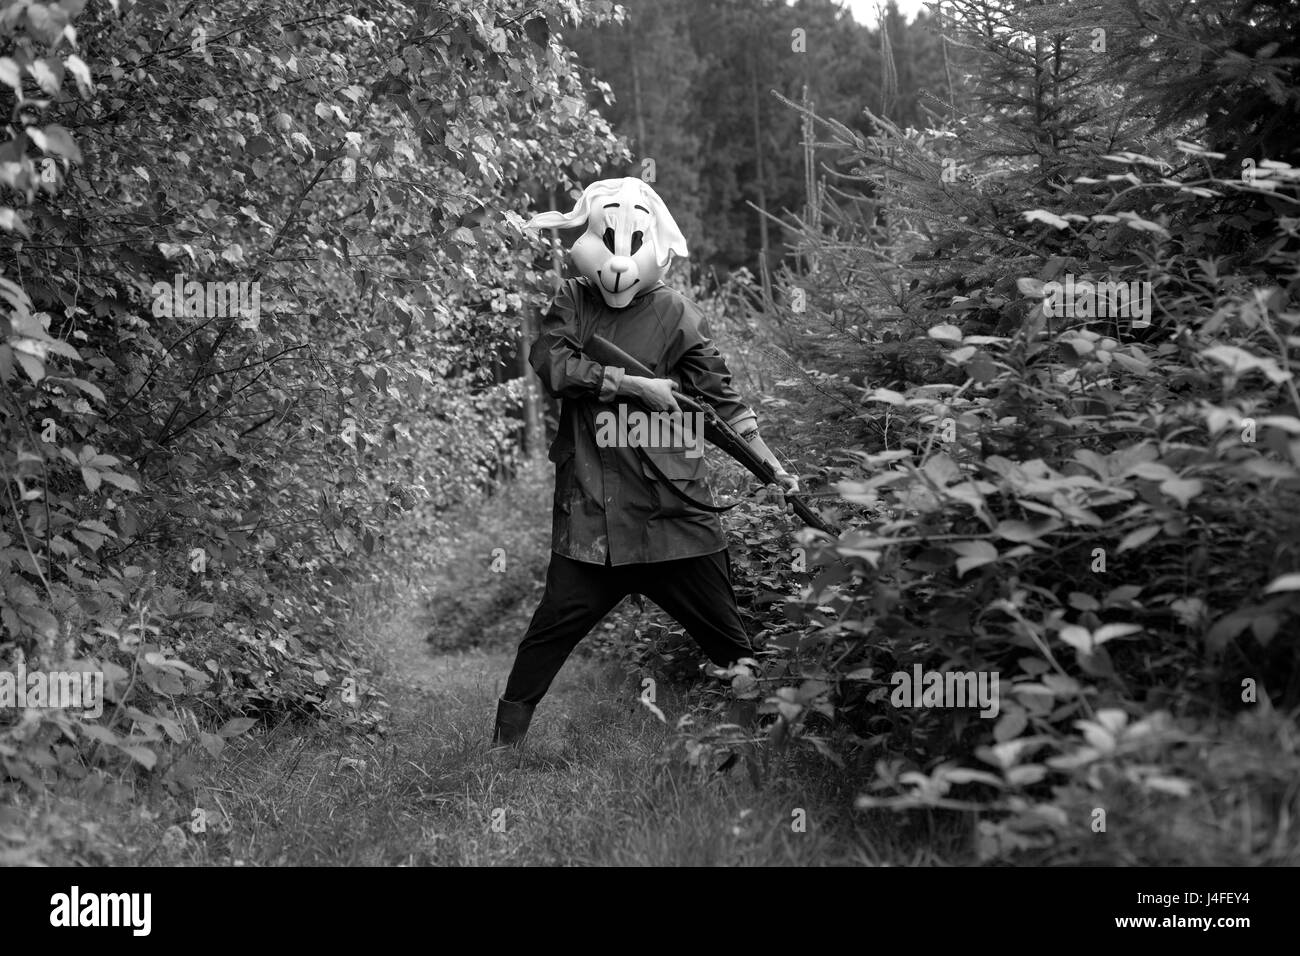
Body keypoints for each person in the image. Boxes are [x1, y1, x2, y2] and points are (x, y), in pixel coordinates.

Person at [492, 177, 799, 748]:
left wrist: (772, 466)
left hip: (675, 517)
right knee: (548, 633)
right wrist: (632, 384)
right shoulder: (573, 300)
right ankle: (504, 748)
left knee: (730, 640)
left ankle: (771, 744)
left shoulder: (678, 313)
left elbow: (724, 401)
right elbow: (552, 365)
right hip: (595, 516)